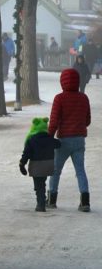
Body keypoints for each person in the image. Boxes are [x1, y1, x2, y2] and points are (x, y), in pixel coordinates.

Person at [47, 68, 91, 212]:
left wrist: (49, 137)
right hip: (79, 140)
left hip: (63, 140)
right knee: (80, 171)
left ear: (62, 81)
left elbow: (53, 121)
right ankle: (85, 201)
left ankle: (52, 199)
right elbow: (87, 121)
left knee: (55, 170)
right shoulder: (84, 98)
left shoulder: (59, 98)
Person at [19, 117, 60, 212]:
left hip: (36, 166)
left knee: (39, 185)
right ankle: (42, 200)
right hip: (48, 166)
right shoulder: (49, 139)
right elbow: (58, 144)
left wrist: (22, 164)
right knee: (42, 183)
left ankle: (41, 205)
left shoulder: (31, 140)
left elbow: (26, 154)